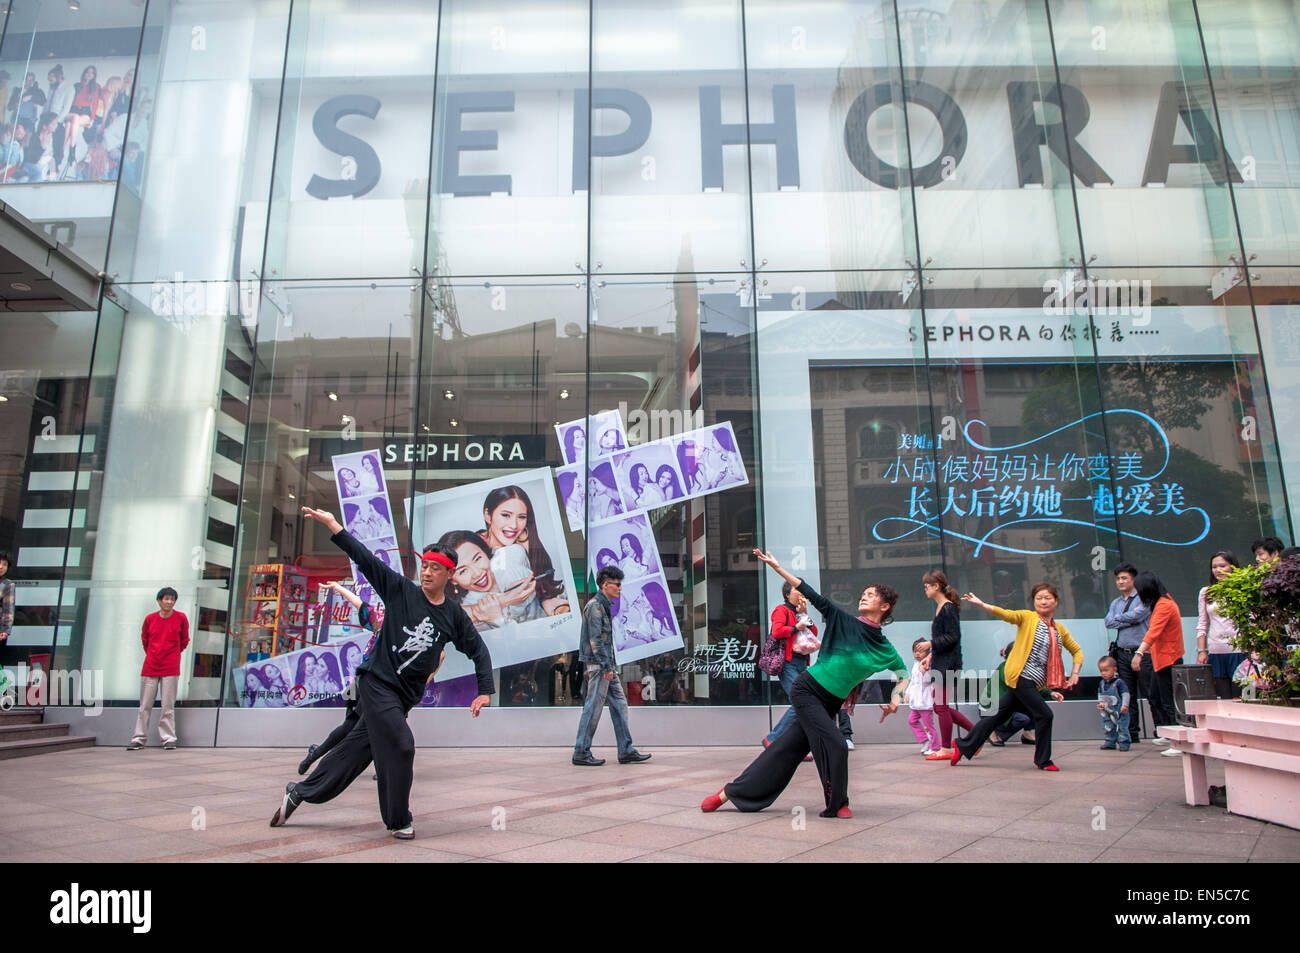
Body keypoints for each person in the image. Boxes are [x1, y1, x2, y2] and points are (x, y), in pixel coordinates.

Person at [271, 506, 493, 840]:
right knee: (402, 745)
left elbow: (478, 650)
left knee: (353, 755)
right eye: (425, 566)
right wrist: (334, 526)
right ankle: (398, 819)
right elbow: (366, 559)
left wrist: (484, 690)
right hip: (376, 684)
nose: (428, 573)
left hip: (403, 697)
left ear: (450, 575)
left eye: (436, 568)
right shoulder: (400, 590)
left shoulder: (453, 616)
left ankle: (299, 792)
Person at [702, 551, 908, 818]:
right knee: (836, 743)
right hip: (807, 690)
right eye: (864, 593)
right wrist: (777, 567)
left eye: (871, 595)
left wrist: (895, 701)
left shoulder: (883, 647)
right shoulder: (842, 620)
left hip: (831, 702)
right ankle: (839, 804)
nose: (863, 596)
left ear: (885, 607)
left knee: (784, 751)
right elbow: (808, 591)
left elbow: (904, 674)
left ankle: (727, 793)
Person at [298, 581, 445, 777]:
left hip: (371, 683)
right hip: (371, 684)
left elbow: (441, 654)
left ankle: (317, 753)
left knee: (361, 725)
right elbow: (440, 655)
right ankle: (376, 766)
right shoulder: (394, 624)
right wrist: (427, 678)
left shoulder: (388, 622)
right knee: (373, 724)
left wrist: (337, 588)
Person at [954, 584, 1082, 771]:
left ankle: (963, 745)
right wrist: (982, 604)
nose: (1043, 601)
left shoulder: (1059, 630)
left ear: (1056, 601)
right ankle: (1043, 760)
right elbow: (1006, 614)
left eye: (1047, 598)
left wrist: (1075, 674)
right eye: (1039, 598)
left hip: (1034, 683)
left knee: (995, 717)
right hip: (1021, 677)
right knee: (1045, 715)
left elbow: (1077, 651)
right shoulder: (1028, 618)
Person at [572, 565, 651, 766]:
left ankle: (626, 750)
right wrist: (606, 667)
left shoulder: (603, 606)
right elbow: (595, 640)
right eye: (617, 585)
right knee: (593, 709)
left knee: (620, 706)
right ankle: (581, 752)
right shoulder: (595, 607)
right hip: (601, 668)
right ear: (605, 585)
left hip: (607, 667)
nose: (620, 588)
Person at [437, 529, 551, 629]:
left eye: (477, 559)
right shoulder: (469, 612)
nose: (477, 573)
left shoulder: (513, 556)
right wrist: (497, 616)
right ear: (452, 580)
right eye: (463, 571)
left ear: (485, 553)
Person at [479, 486, 566, 615]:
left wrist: (544, 601)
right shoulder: (472, 547)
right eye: (505, 515)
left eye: (521, 517)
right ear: (488, 515)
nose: (514, 525)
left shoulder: (523, 544)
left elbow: (543, 586)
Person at [127, 587, 191, 751]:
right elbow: (145, 640)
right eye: (166, 599)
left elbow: (184, 640)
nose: (169, 602)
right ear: (159, 600)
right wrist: (154, 654)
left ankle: (168, 738)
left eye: (172, 599)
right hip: (150, 666)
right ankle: (139, 738)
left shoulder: (181, 618)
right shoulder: (150, 619)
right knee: (145, 705)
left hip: (171, 666)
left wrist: (173, 654)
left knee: (167, 705)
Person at [1129, 571, 1184, 757]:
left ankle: (1178, 742)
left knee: (1169, 700)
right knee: (1156, 695)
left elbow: (1153, 632)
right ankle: (1169, 732)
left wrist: (1138, 653)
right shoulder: (1161, 603)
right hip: (1160, 658)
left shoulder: (1164, 605)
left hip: (1168, 658)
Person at [922, 570, 973, 761]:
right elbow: (945, 638)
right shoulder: (943, 607)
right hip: (942, 662)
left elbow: (953, 636)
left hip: (948, 664)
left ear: (936, 586)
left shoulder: (948, 608)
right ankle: (976, 734)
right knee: (940, 706)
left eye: (927, 586)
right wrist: (931, 655)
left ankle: (945, 748)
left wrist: (930, 645)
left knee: (941, 707)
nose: (925, 590)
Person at [762, 582, 819, 747]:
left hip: (802, 663)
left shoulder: (800, 612)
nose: (801, 593)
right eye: (797, 590)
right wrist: (796, 627)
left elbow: (813, 633)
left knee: (806, 703)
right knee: (801, 701)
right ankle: (773, 739)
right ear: (787, 594)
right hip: (788, 663)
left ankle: (795, 744)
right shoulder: (782, 610)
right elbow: (777, 632)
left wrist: (805, 615)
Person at [1103, 562, 1150, 743]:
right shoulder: (1116, 602)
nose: (1120, 582)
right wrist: (1127, 620)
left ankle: (1161, 729)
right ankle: (1132, 732)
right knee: (1126, 694)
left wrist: (1122, 619)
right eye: (1118, 579)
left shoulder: (1142, 599)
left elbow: (1139, 615)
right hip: (1122, 653)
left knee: (1150, 691)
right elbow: (1108, 622)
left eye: (1124, 578)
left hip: (1141, 651)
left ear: (1133, 580)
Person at [983, 641, 1061, 746]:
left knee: (1035, 703)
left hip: (1007, 704)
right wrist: (1048, 693)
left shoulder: (1021, 668)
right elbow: (1026, 686)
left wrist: (1050, 693)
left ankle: (1027, 733)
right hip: (992, 709)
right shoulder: (1008, 669)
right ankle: (993, 731)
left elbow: (1032, 685)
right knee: (1023, 719)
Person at [1198, 551, 1244, 699]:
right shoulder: (1206, 592)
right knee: (1223, 698)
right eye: (1214, 567)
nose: (1218, 570)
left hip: (1239, 650)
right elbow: (1202, 624)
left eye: (1222, 566)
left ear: (1232, 566)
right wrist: (1202, 651)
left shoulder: (1243, 589)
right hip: (1216, 650)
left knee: (1240, 696)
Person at [905, 639, 940, 756]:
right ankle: (925, 740)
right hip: (916, 701)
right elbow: (913, 682)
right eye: (915, 651)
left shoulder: (929, 664)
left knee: (929, 725)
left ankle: (935, 746)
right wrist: (907, 693)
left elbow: (929, 680)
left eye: (921, 651)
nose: (917, 654)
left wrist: (924, 671)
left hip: (925, 700)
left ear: (928, 652)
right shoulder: (915, 666)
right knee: (912, 720)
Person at [1096, 656, 1131, 750]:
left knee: (1121, 727)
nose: (1103, 673)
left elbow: (1125, 694)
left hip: (1119, 710)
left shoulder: (1119, 682)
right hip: (1107, 710)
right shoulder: (1102, 683)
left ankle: (1124, 742)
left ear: (1114, 669)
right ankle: (1110, 741)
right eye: (1101, 671)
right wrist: (1100, 703)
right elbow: (1100, 694)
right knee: (1108, 726)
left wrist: (1125, 705)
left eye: (1106, 670)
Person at [0, 550, 13, 646]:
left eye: (5, 564)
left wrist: (5, 629)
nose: (1, 567)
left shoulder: (7, 584)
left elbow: (8, 608)